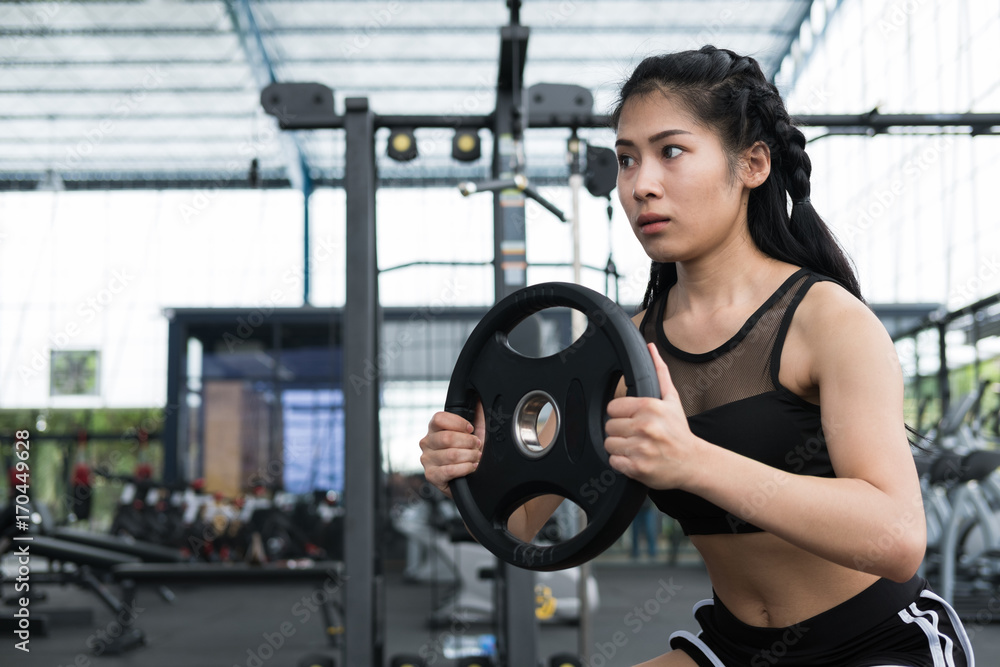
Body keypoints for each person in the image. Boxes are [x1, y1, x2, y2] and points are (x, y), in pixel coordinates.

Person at [419, 46, 974, 667]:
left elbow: (898, 539)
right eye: (626, 159)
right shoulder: (623, 349)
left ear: (753, 164)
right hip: (733, 648)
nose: (640, 185)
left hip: (875, 643)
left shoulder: (827, 321)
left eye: (671, 152)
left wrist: (692, 461)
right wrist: (471, 462)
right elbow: (517, 527)